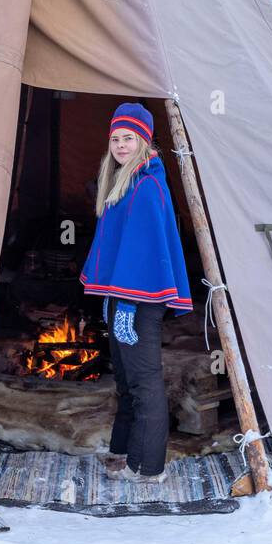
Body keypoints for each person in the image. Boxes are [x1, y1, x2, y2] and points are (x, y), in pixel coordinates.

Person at [79, 102, 192, 484]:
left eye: (129, 138)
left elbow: (144, 256)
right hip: (123, 302)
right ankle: (124, 451)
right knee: (127, 383)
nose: (121, 145)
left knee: (145, 384)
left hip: (138, 305)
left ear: (144, 140)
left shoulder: (145, 187)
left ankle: (149, 467)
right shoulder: (124, 181)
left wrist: (127, 302)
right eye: (115, 138)